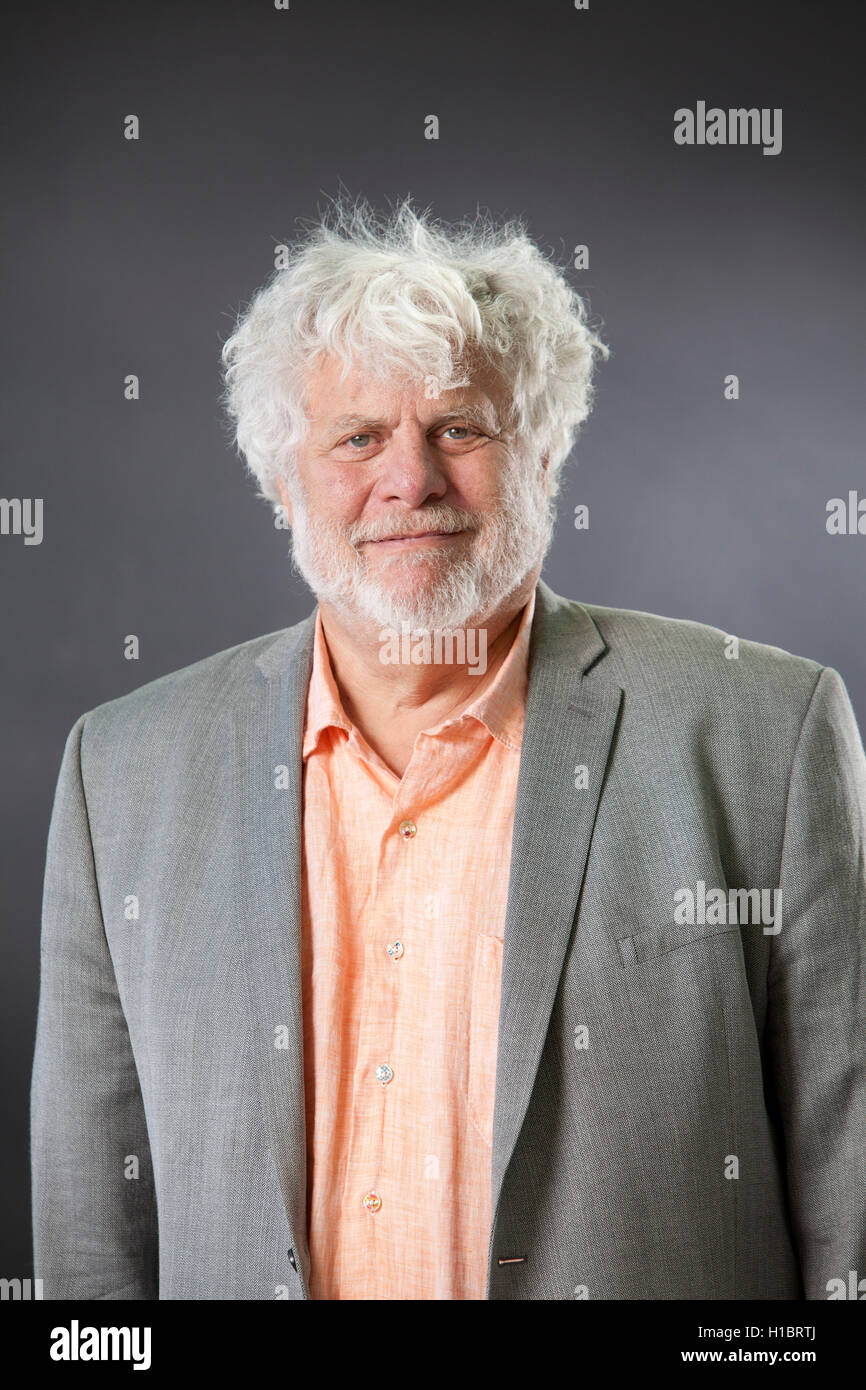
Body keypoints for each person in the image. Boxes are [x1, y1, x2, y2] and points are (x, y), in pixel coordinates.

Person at [31, 197, 865, 1300]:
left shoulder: (765, 731)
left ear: (546, 451)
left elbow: (847, 1186)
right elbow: (91, 1246)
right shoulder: (119, 774)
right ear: (283, 480)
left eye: (459, 428)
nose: (409, 479)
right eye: (357, 436)